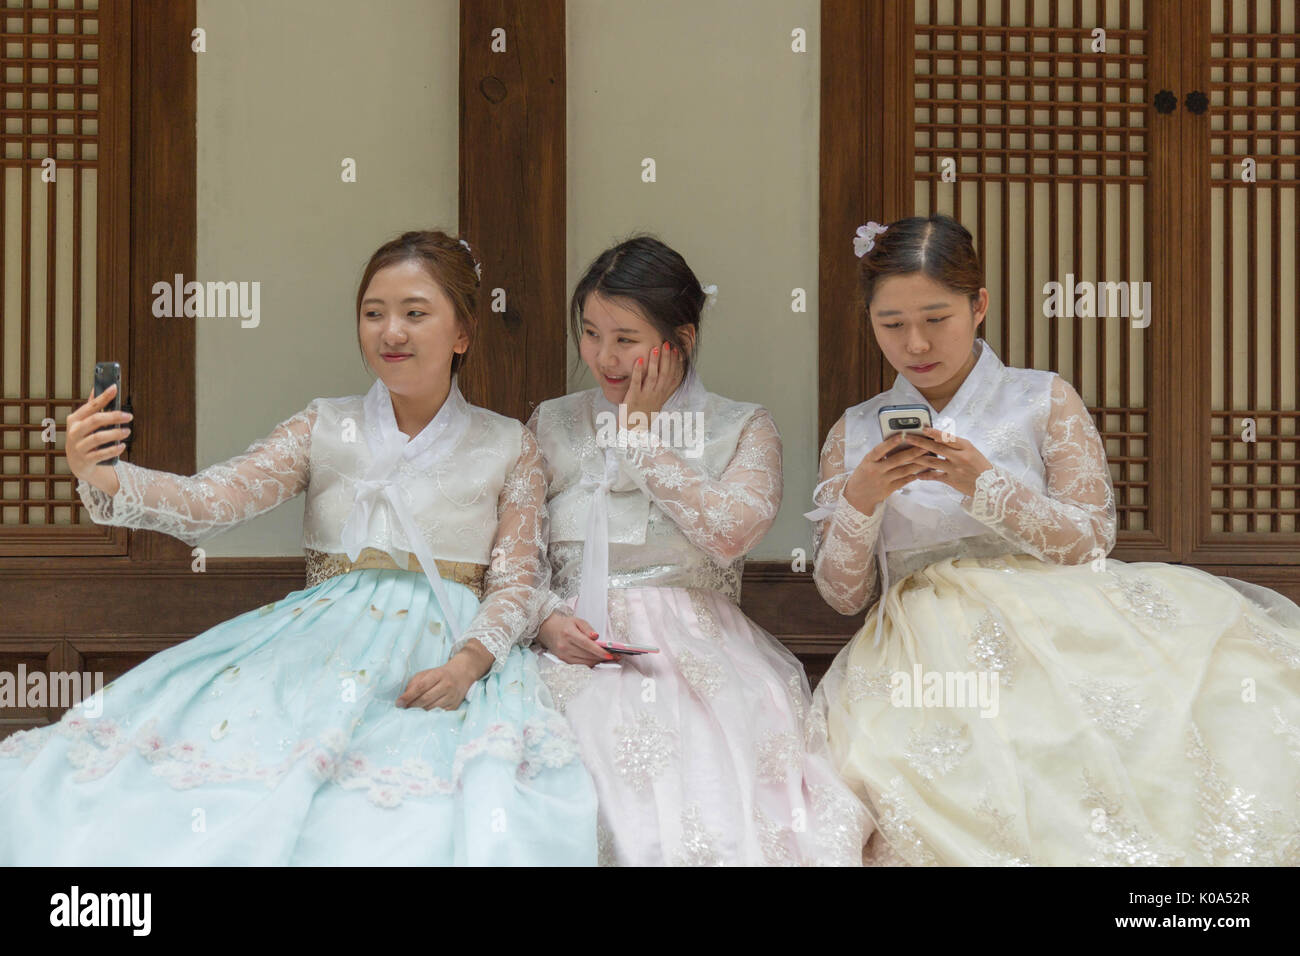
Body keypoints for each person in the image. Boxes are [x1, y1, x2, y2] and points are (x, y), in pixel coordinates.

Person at [0, 229, 597, 866]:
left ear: (462, 333)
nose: (390, 332)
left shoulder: (508, 444)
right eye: (373, 314)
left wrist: (466, 666)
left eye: (415, 313)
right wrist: (101, 474)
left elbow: (513, 583)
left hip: (450, 650)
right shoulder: (324, 425)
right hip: (317, 646)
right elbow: (212, 502)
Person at [809, 214, 1300, 865]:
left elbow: (1089, 540)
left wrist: (985, 484)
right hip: (918, 645)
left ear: (979, 305)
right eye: (891, 324)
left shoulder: (1040, 399)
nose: (916, 342)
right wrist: (861, 502)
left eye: (936, 317)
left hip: (1056, 621)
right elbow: (842, 596)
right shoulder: (856, 430)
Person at [528, 235, 868, 866]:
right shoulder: (550, 422)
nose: (602, 356)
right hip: (567, 646)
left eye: (625, 338)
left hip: (697, 652)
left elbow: (731, 531)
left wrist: (638, 434)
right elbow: (517, 552)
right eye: (590, 332)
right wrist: (546, 621)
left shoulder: (742, 426)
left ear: (680, 339)